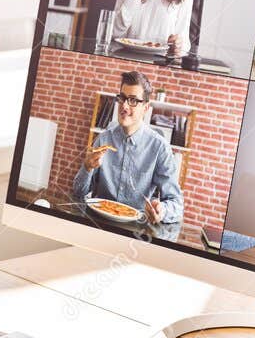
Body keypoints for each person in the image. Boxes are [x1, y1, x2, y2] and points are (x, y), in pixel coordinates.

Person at [72, 71, 183, 230]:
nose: (124, 106)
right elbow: (78, 193)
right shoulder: (103, 139)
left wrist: (162, 210)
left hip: (136, 230)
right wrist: (87, 168)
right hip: (97, 224)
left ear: (145, 107)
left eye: (132, 101)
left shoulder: (160, 148)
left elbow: (177, 204)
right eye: (122, 98)